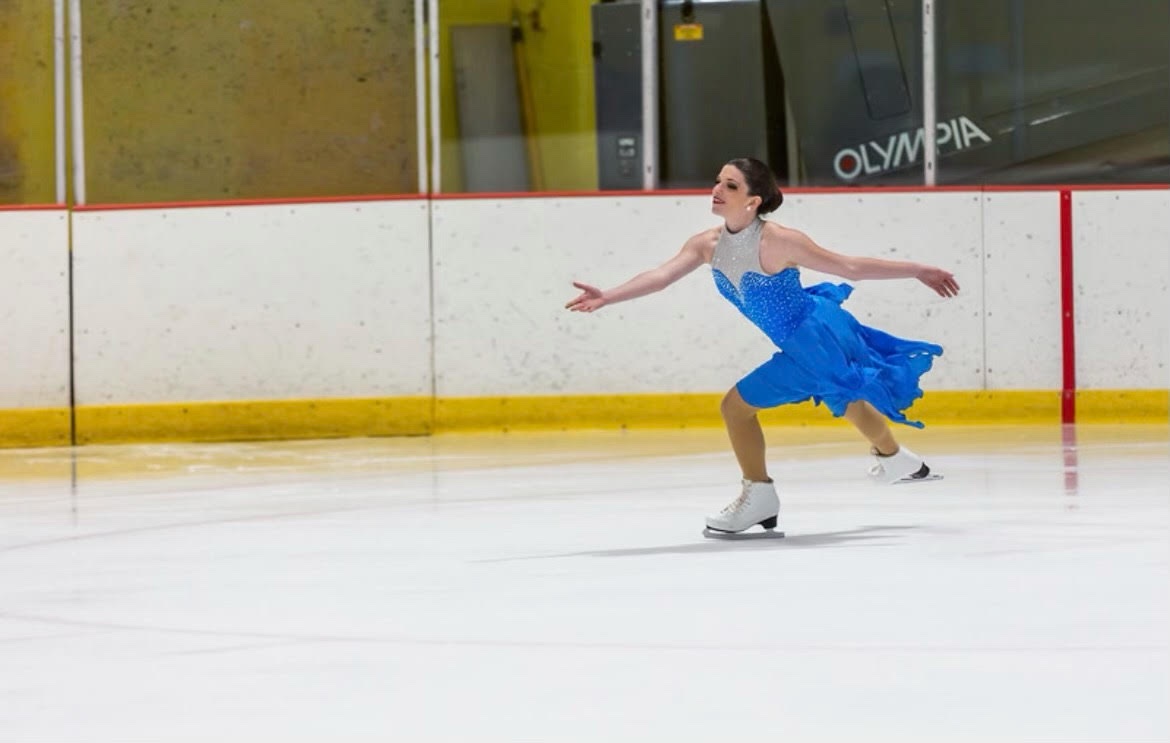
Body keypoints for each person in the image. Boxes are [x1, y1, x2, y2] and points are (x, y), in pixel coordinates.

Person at [565, 157, 960, 536]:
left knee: (736, 409)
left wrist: (918, 270)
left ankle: (759, 496)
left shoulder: (780, 241)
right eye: (718, 181)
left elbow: (850, 267)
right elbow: (661, 276)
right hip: (810, 336)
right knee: (845, 394)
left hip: (812, 339)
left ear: (752, 201)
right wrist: (608, 296)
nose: (717, 189)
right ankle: (895, 459)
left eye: (730, 185)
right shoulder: (707, 244)